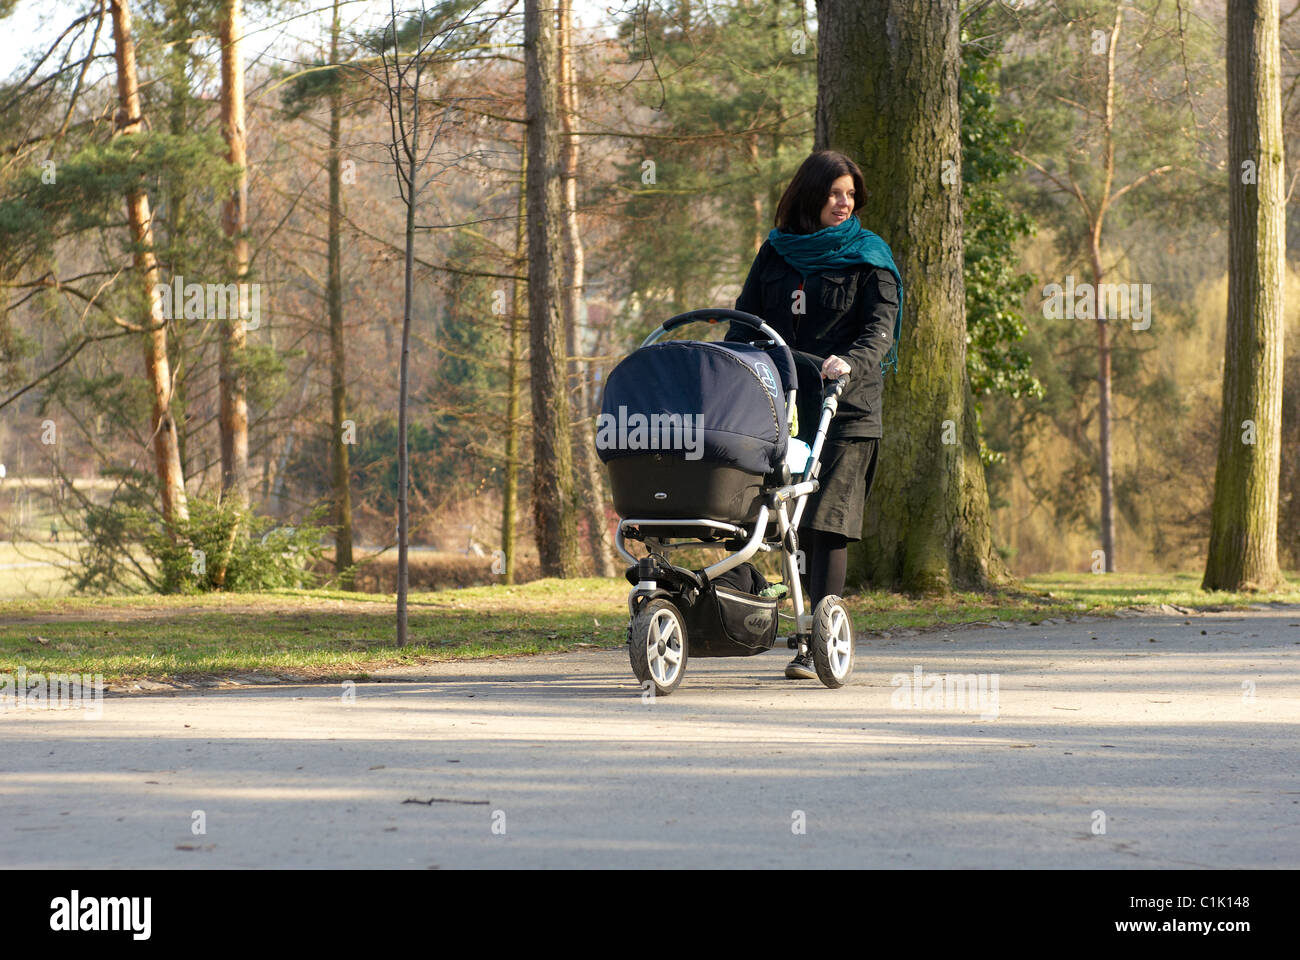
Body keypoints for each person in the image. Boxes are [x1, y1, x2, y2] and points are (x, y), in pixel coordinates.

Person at [728, 150, 903, 679]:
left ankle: (814, 639)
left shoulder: (870, 256)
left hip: (845, 409)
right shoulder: (776, 253)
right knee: (762, 515)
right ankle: (745, 610)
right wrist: (729, 361)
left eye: (850, 194)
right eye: (833, 193)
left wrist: (849, 361)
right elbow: (747, 319)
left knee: (825, 522)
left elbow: (880, 327)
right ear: (810, 196)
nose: (844, 202)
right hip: (779, 406)